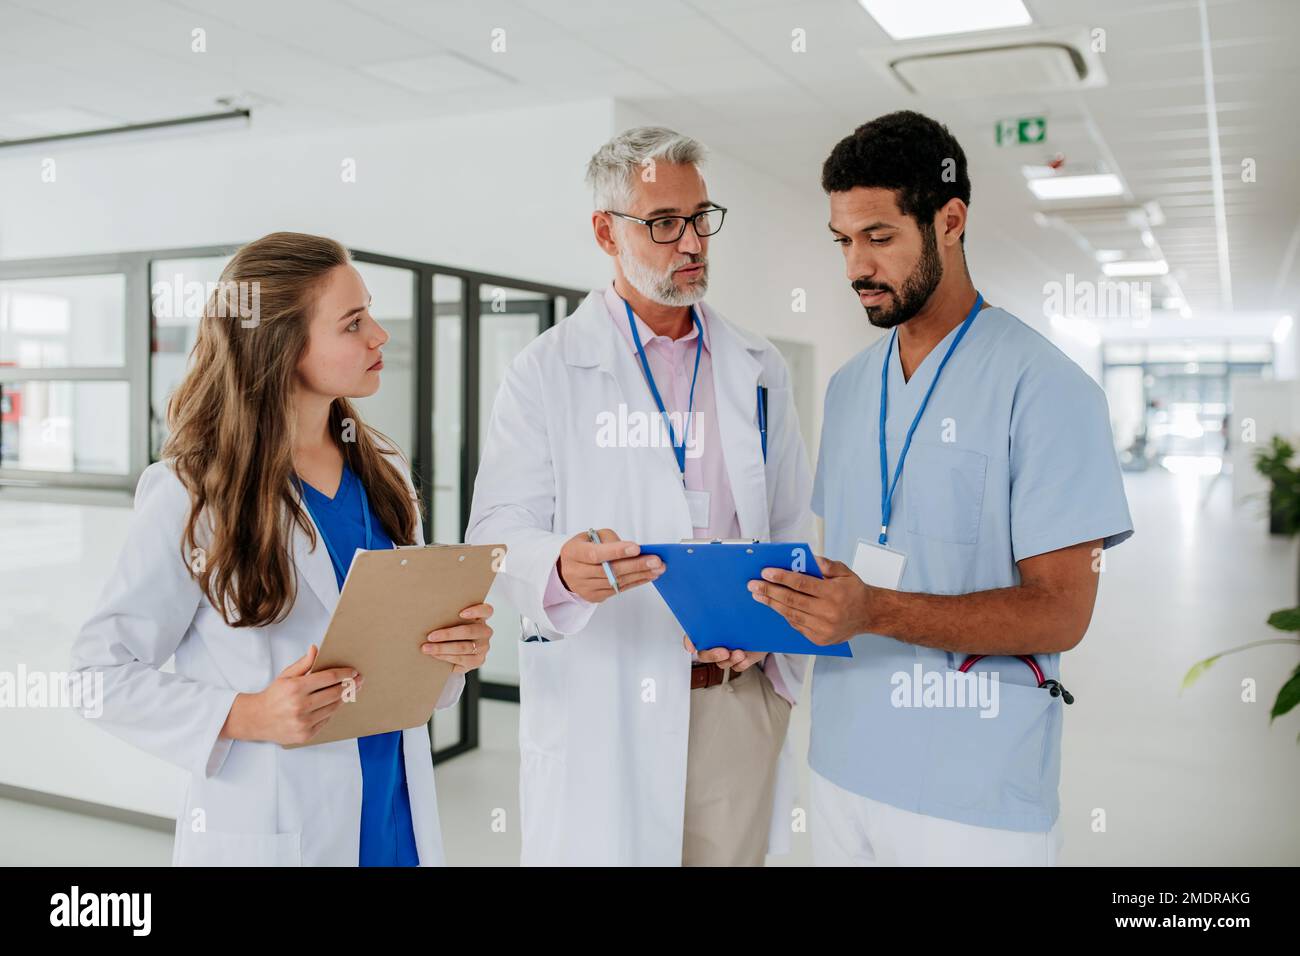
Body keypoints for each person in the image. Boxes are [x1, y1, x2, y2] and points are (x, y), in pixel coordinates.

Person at [749, 111, 1134, 865]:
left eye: (880, 236)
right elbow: (847, 564)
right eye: (843, 240)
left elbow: (1062, 610)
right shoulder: (851, 387)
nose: (856, 264)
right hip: (841, 764)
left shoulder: (1049, 389)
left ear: (949, 221)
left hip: (976, 792)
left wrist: (874, 610)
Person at [70, 232, 492, 866]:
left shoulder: (385, 471)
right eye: (353, 323)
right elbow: (94, 678)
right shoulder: (192, 492)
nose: (380, 335)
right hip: (275, 827)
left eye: (369, 313)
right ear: (282, 345)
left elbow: (402, 665)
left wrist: (451, 656)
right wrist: (247, 714)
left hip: (392, 817)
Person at [466, 127, 814, 866]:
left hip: (732, 697)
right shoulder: (547, 371)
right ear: (606, 231)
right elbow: (497, 528)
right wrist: (559, 564)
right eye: (663, 224)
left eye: (700, 218)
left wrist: (774, 641)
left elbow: (788, 517)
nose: (691, 243)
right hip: (606, 697)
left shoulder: (757, 368)